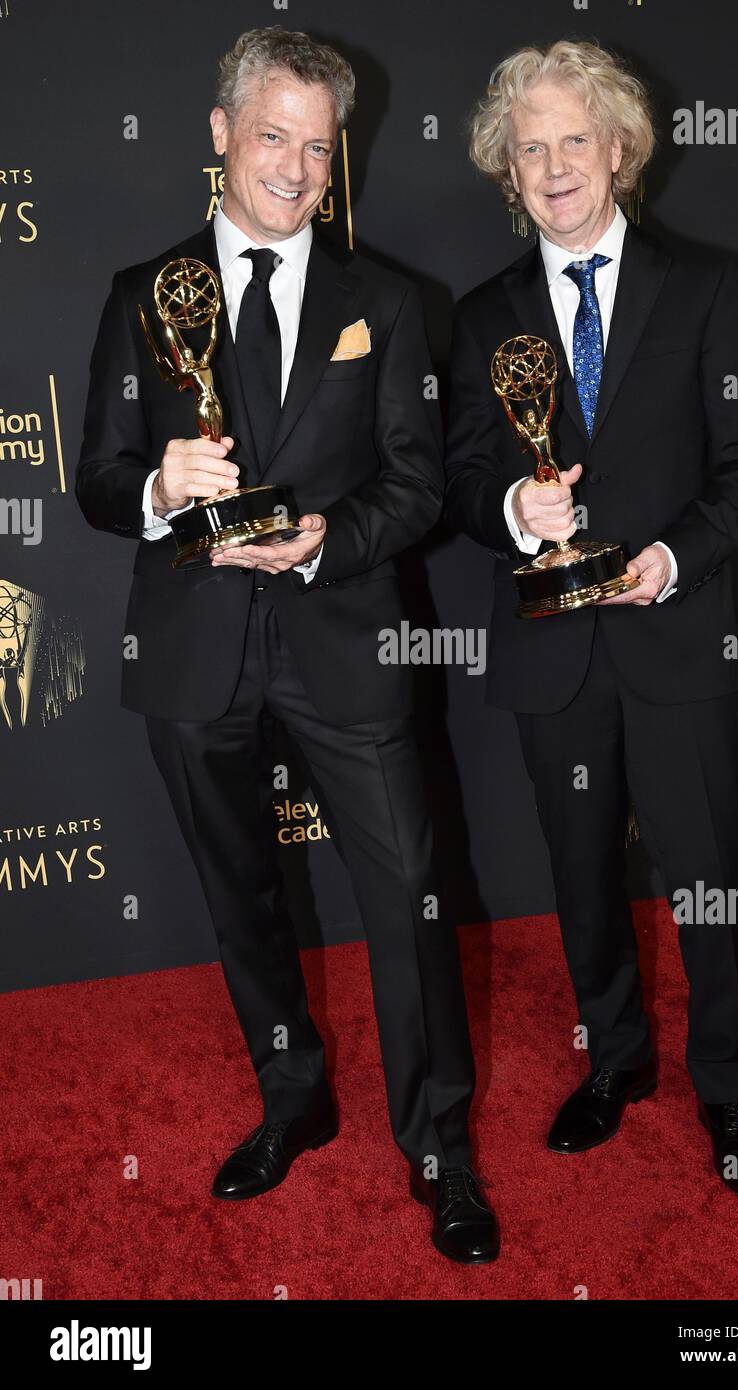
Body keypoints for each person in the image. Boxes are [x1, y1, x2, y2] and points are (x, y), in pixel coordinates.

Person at [76, 26, 498, 1262]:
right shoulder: (141, 294)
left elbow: (416, 489)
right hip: (195, 650)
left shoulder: (389, 303)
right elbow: (96, 480)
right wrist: (159, 482)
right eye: (273, 136)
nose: (296, 168)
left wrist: (321, 539)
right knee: (241, 897)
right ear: (220, 135)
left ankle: (440, 1149)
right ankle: (292, 1097)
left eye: (319, 147)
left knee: (407, 894)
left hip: (343, 641)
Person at [444, 39, 738, 1197]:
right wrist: (511, 504)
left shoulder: (709, 288)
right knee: (583, 876)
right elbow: (456, 478)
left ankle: (728, 1089)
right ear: (505, 169)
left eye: (571, 140)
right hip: (555, 653)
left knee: (707, 874)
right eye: (527, 148)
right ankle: (616, 1063)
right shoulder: (482, 315)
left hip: (679, 637)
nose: (551, 167)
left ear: (620, 149)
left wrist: (673, 559)